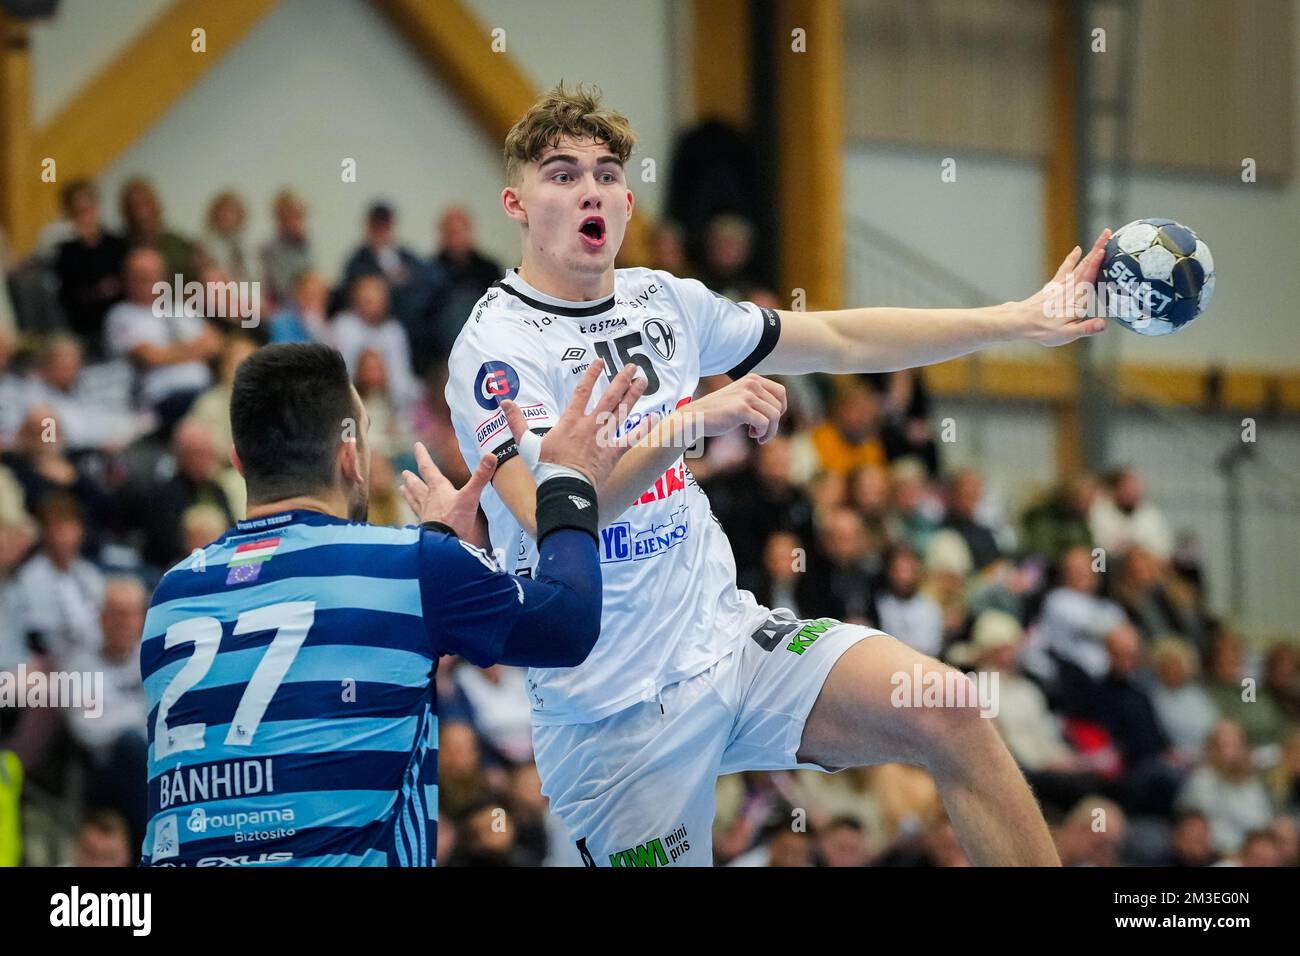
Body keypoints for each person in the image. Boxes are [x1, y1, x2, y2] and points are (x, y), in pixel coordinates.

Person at [445, 83, 1112, 867]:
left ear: (626, 201)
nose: (588, 189)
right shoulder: (495, 346)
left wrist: (1017, 320)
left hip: (730, 645)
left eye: (605, 173)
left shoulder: (665, 301)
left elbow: (837, 339)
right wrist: (690, 424)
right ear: (517, 203)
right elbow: (547, 519)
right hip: (611, 715)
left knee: (951, 707)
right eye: (561, 174)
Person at [139, 343, 648, 866]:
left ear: (239, 461)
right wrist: (568, 478)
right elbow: (569, 622)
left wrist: (436, 553)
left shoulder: (172, 594)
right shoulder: (409, 567)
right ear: (348, 459)